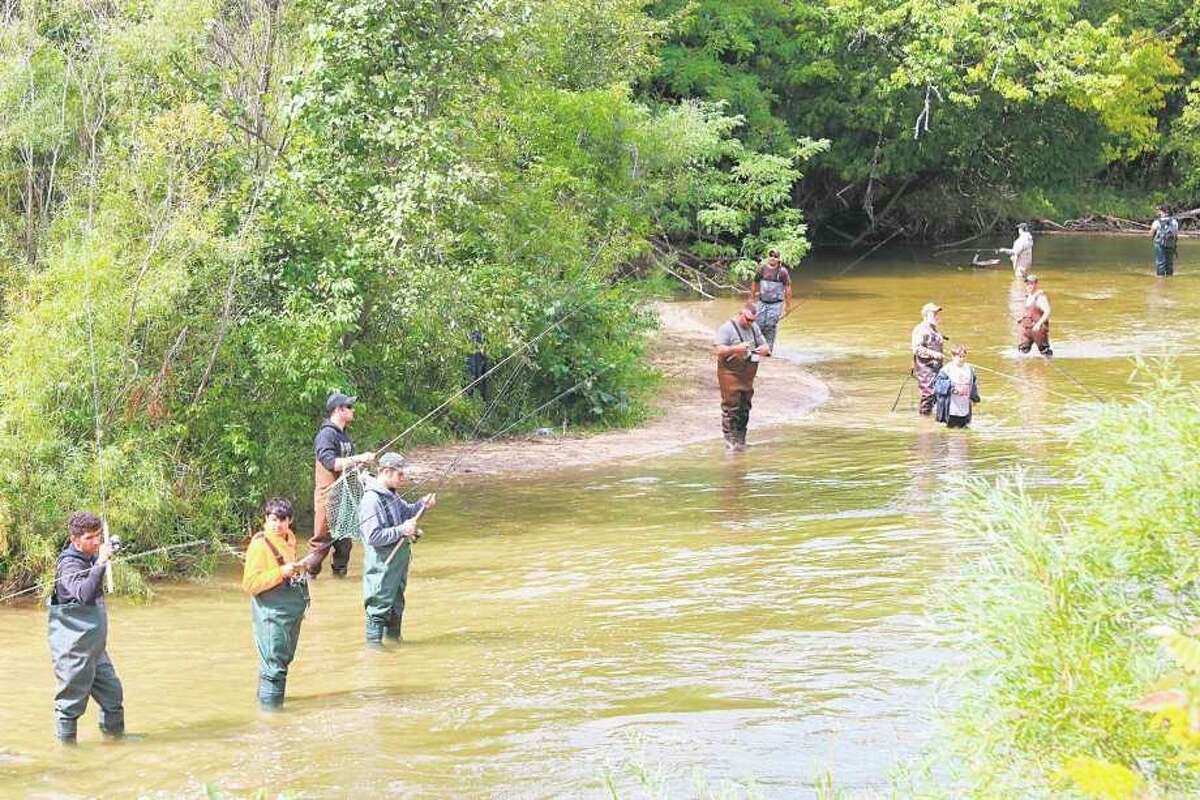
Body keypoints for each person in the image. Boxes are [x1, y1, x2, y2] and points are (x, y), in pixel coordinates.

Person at [48, 511, 125, 744]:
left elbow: (96, 562)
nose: (96, 542)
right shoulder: (69, 565)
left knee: (113, 696)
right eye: (89, 538)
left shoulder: (90, 555)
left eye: (98, 536)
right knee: (69, 706)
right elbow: (84, 594)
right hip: (74, 650)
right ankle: (67, 754)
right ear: (74, 539)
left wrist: (110, 547)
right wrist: (101, 562)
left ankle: (115, 742)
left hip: (95, 648)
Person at [358, 453, 437, 646]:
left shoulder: (391, 494)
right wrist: (402, 530)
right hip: (382, 567)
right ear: (386, 472)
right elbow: (373, 537)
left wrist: (422, 505)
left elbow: (408, 513)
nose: (403, 478)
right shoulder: (371, 500)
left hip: (397, 564)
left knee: (396, 607)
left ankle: (394, 645)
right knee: (378, 608)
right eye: (400, 474)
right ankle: (374, 649)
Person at [242, 498, 308, 710]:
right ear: (266, 519)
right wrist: (281, 572)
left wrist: (298, 569)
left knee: (281, 660)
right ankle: (272, 717)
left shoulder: (290, 539)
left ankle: (265, 708)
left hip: (288, 610)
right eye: (273, 519)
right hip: (270, 612)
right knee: (274, 665)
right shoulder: (259, 545)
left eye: (282, 520)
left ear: (290, 521)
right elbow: (250, 584)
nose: (277, 525)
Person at [304, 392, 375, 577]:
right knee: (321, 544)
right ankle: (306, 579)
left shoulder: (344, 436)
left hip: (345, 497)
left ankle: (339, 579)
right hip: (328, 497)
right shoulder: (326, 435)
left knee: (344, 544)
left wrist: (362, 472)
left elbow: (348, 466)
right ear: (338, 410)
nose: (353, 410)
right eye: (349, 407)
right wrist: (359, 458)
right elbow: (331, 463)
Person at [714, 301, 771, 451]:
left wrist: (763, 350)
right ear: (741, 314)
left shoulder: (754, 327)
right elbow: (719, 350)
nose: (750, 323)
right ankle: (730, 442)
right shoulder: (726, 328)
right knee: (731, 407)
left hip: (747, 376)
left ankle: (741, 441)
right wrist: (735, 349)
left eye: (753, 320)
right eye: (748, 319)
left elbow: (766, 347)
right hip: (730, 373)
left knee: (744, 407)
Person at [751, 249, 792, 349]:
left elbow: (788, 288)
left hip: (776, 304)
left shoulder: (782, 272)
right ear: (768, 257)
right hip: (762, 301)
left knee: (770, 325)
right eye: (771, 256)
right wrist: (752, 298)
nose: (773, 258)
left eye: (775, 256)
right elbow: (755, 283)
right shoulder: (761, 269)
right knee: (758, 324)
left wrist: (788, 306)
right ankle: (757, 347)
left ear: (779, 259)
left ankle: (768, 348)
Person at [910, 302, 945, 416]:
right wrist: (934, 354)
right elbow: (917, 349)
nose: (937, 316)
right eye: (934, 314)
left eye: (937, 314)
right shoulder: (920, 329)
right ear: (926, 315)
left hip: (936, 367)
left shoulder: (933, 328)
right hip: (925, 367)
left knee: (939, 392)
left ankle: (931, 419)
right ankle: (924, 421)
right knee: (928, 394)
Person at [934, 344, 981, 428]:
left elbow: (973, 385)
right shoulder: (946, 370)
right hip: (951, 408)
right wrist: (953, 389)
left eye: (964, 356)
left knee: (964, 430)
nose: (962, 359)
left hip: (965, 407)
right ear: (953, 356)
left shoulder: (970, 369)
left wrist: (974, 398)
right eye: (960, 357)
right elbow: (938, 385)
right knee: (950, 431)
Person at [1018, 274, 1052, 356]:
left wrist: (1039, 324)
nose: (1029, 286)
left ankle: (1049, 362)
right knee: (1022, 351)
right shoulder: (1028, 296)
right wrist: (1022, 318)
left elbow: (1047, 311)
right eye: (1027, 284)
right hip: (1027, 330)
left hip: (1038, 330)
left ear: (1036, 284)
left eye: (1031, 283)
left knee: (1045, 352)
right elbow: (1029, 311)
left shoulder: (1040, 297)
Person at [1150, 205, 1180, 277]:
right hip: (1171, 244)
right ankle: (1169, 278)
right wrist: (1174, 244)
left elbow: (1151, 233)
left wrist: (1153, 238)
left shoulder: (1156, 222)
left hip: (1159, 244)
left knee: (1160, 262)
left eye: (1160, 211)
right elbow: (1176, 235)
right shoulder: (1174, 222)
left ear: (1163, 212)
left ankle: (1160, 279)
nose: (1159, 212)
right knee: (1169, 263)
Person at [465, 330, 492, 403]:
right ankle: (473, 398)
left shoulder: (480, 334)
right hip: (474, 352)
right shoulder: (473, 335)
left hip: (478, 353)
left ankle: (483, 400)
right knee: (473, 375)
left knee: (479, 376)